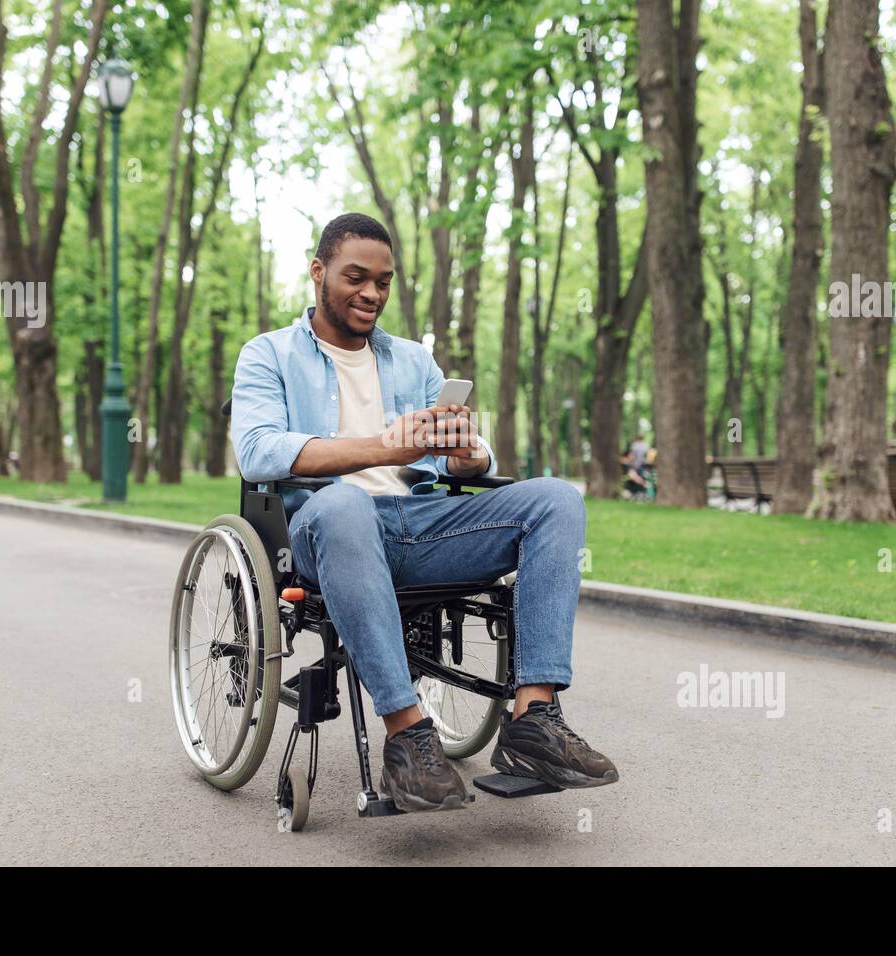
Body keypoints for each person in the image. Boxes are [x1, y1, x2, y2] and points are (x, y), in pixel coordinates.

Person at [230, 213, 617, 813]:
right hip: (325, 527)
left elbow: (473, 461)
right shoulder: (269, 354)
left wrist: (468, 453)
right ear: (318, 272)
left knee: (557, 499)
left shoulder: (413, 361)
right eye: (356, 277)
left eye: (383, 282)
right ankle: (409, 735)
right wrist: (385, 447)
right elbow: (257, 451)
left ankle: (533, 721)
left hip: (423, 521)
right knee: (345, 503)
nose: (371, 293)